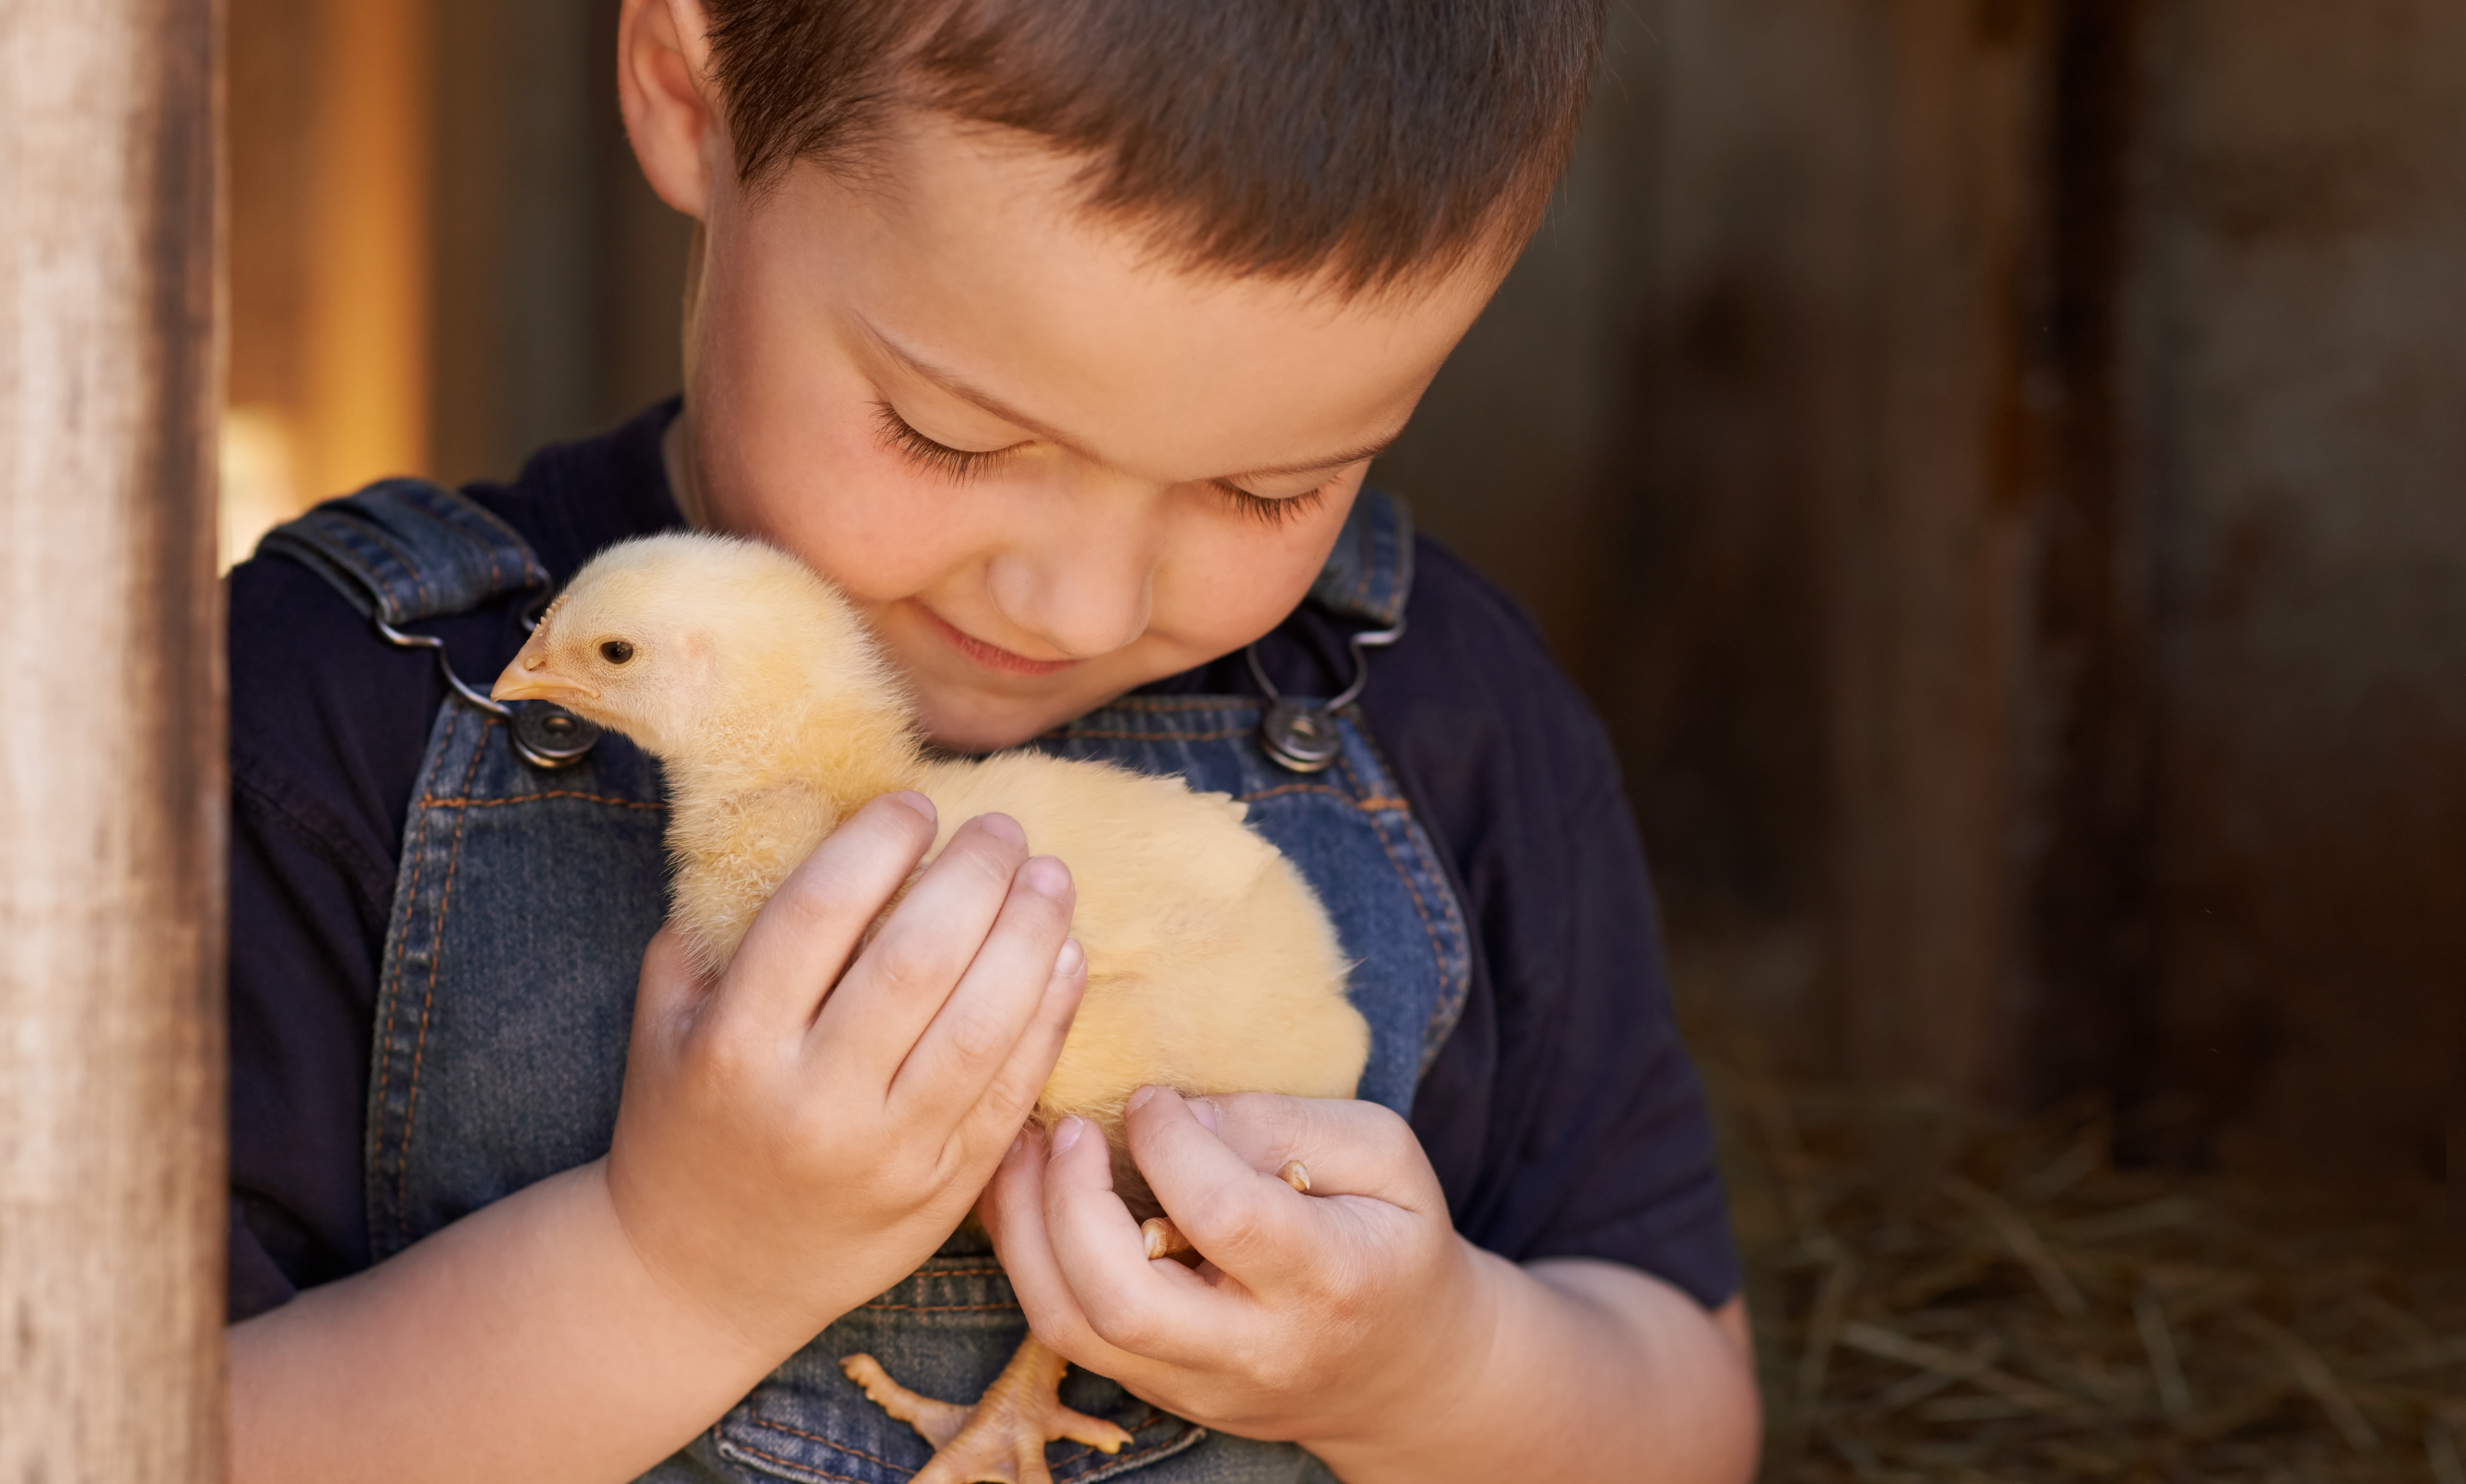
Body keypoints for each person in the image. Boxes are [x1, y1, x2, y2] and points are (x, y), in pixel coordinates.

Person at [223, 0, 1763, 1479]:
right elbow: (94, 1429)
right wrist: (670, 1271)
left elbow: (1683, 1411)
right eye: (952, 435)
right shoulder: (326, 723)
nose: (1081, 604)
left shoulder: (1449, 715)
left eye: (1270, 487)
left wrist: (1425, 1370)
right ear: (696, 101)